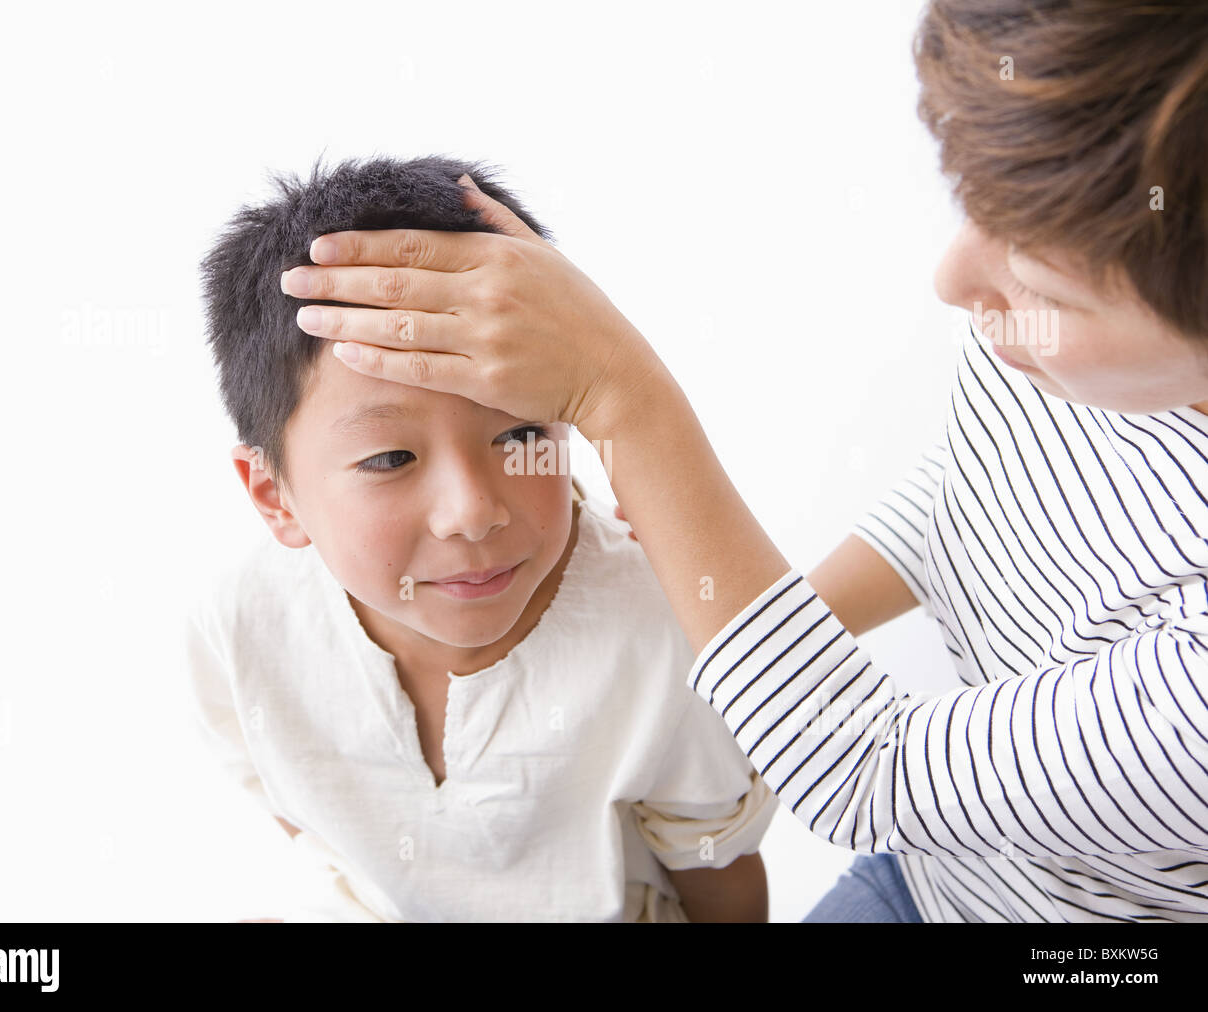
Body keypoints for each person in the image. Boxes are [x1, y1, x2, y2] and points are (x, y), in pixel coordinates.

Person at [283, 2, 1208, 921]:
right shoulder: (1057, 330)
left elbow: (868, 770)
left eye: (1043, 285)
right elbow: (984, 491)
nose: (957, 284)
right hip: (935, 869)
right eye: (978, 206)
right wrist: (712, 638)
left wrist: (624, 401)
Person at [185, 154, 778, 922]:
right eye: (391, 458)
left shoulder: (655, 628)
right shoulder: (239, 633)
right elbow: (305, 819)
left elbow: (721, 879)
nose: (471, 512)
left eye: (521, 433)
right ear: (275, 496)